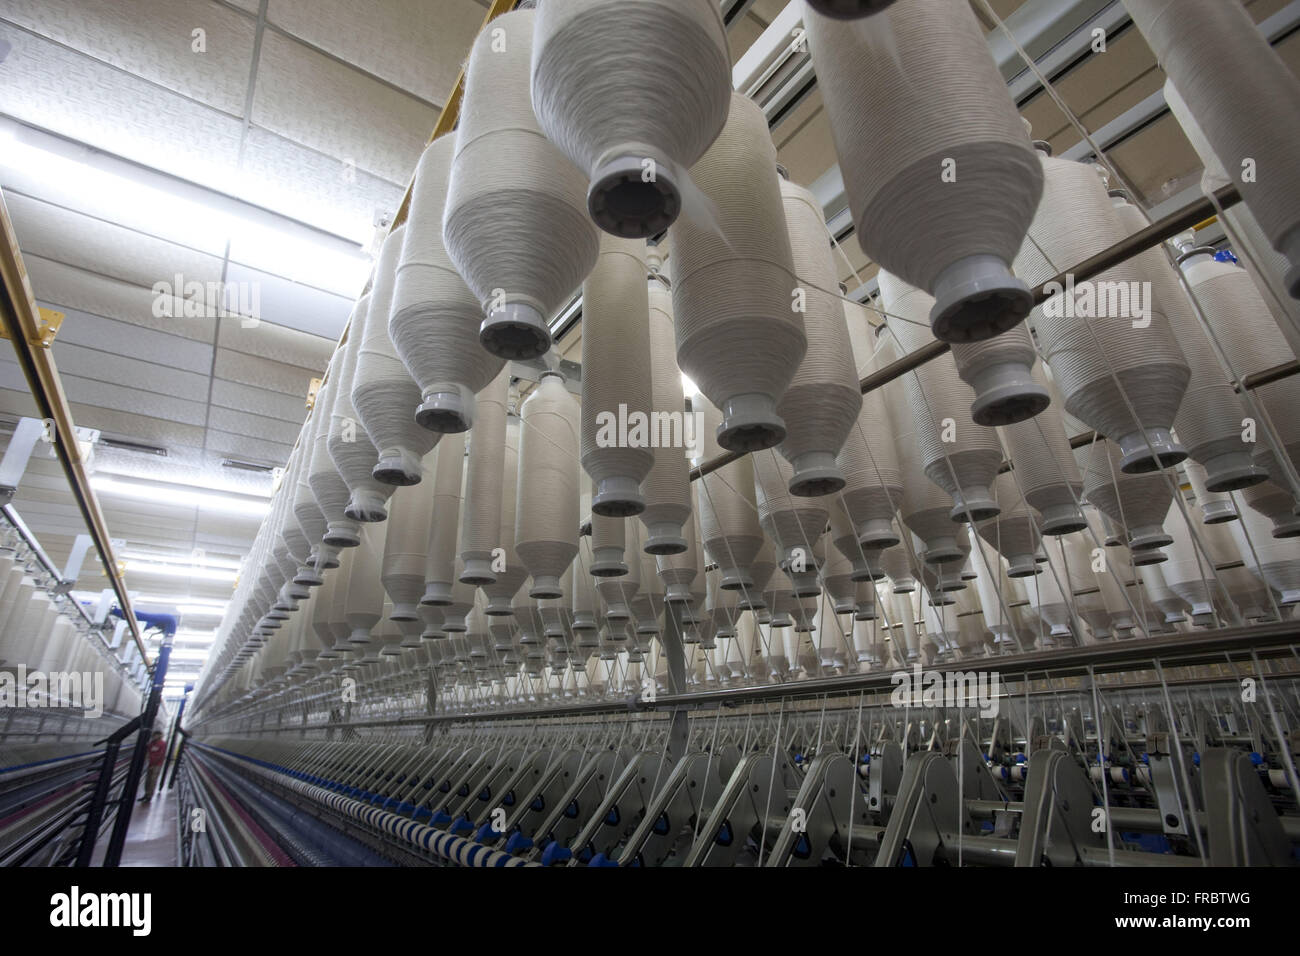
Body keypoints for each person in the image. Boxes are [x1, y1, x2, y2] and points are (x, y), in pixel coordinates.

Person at [140, 731, 167, 803]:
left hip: (157, 764)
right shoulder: (151, 743)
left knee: (153, 780)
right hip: (150, 763)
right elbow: (148, 752)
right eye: (154, 735)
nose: (155, 737)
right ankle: (146, 794)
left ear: (160, 736)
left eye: (156, 735)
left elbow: (161, 755)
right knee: (148, 780)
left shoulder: (162, 744)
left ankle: (149, 796)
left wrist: (153, 764)